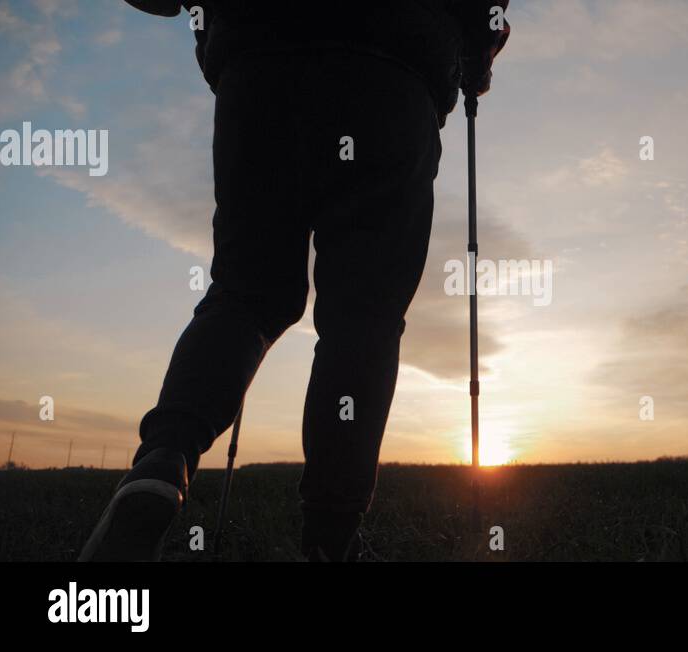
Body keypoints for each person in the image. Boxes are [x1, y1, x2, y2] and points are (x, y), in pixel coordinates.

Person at [79, 0, 510, 562]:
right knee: (364, 318)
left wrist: (216, 31)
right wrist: (477, 54)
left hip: (260, 62)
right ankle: (332, 538)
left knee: (247, 292)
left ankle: (164, 459)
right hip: (396, 69)